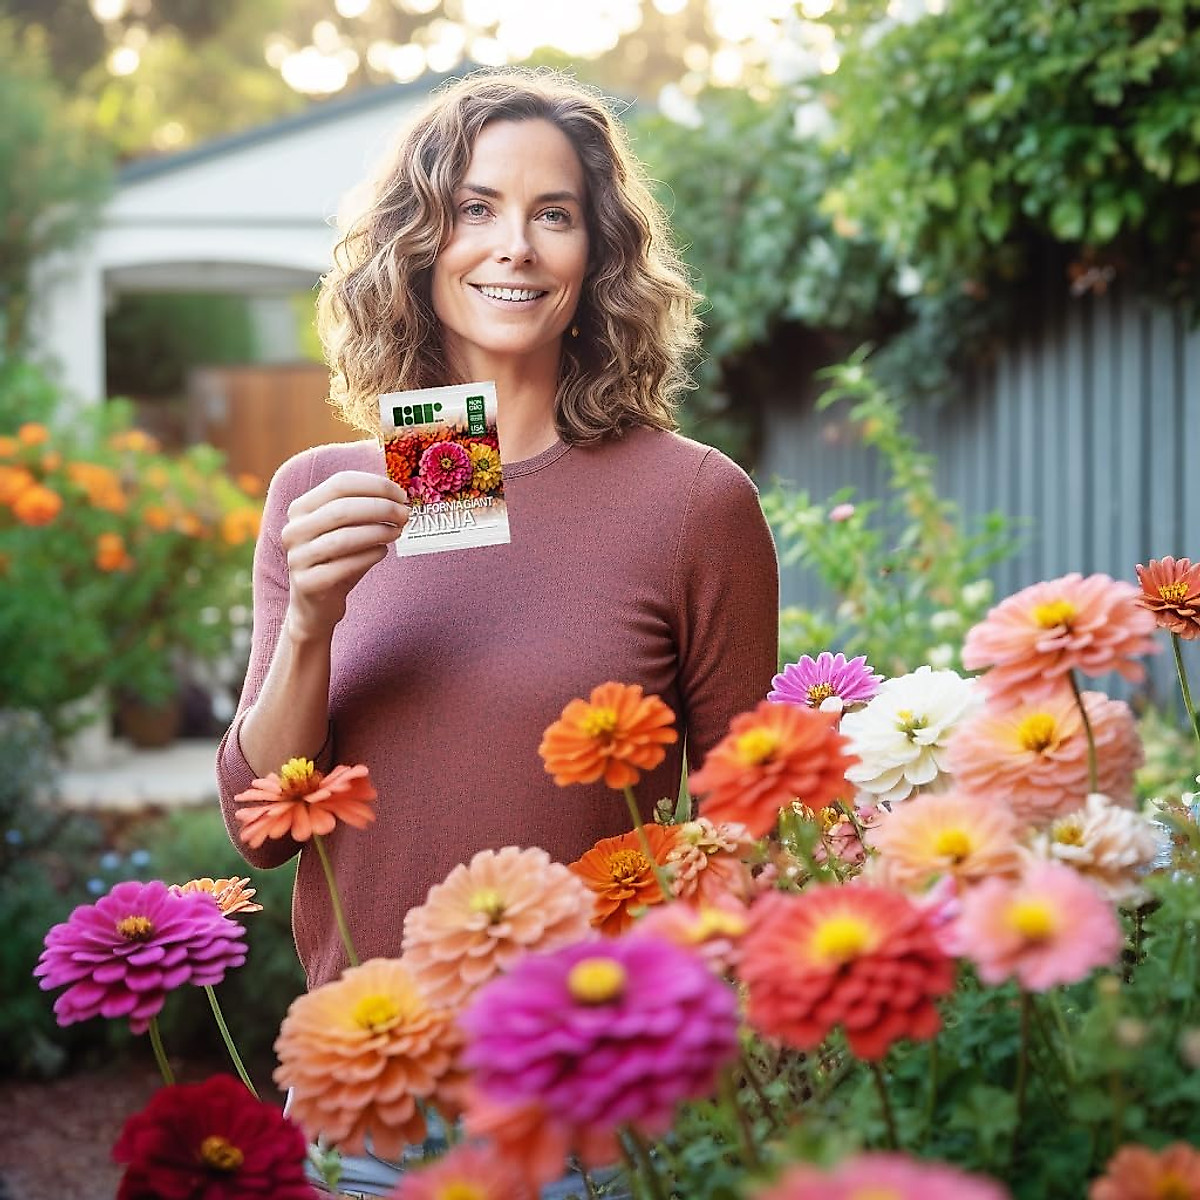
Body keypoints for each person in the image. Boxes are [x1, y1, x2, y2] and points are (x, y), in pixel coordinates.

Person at [216, 67, 778, 1195]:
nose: (513, 246)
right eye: (476, 208)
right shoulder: (326, 489)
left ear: (598, 254)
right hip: (369, 1096)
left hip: (594, 1107)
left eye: (553, 214)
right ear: (419, 241)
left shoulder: (690, 502)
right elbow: (261, 832)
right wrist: (314, 622)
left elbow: (751, 830)